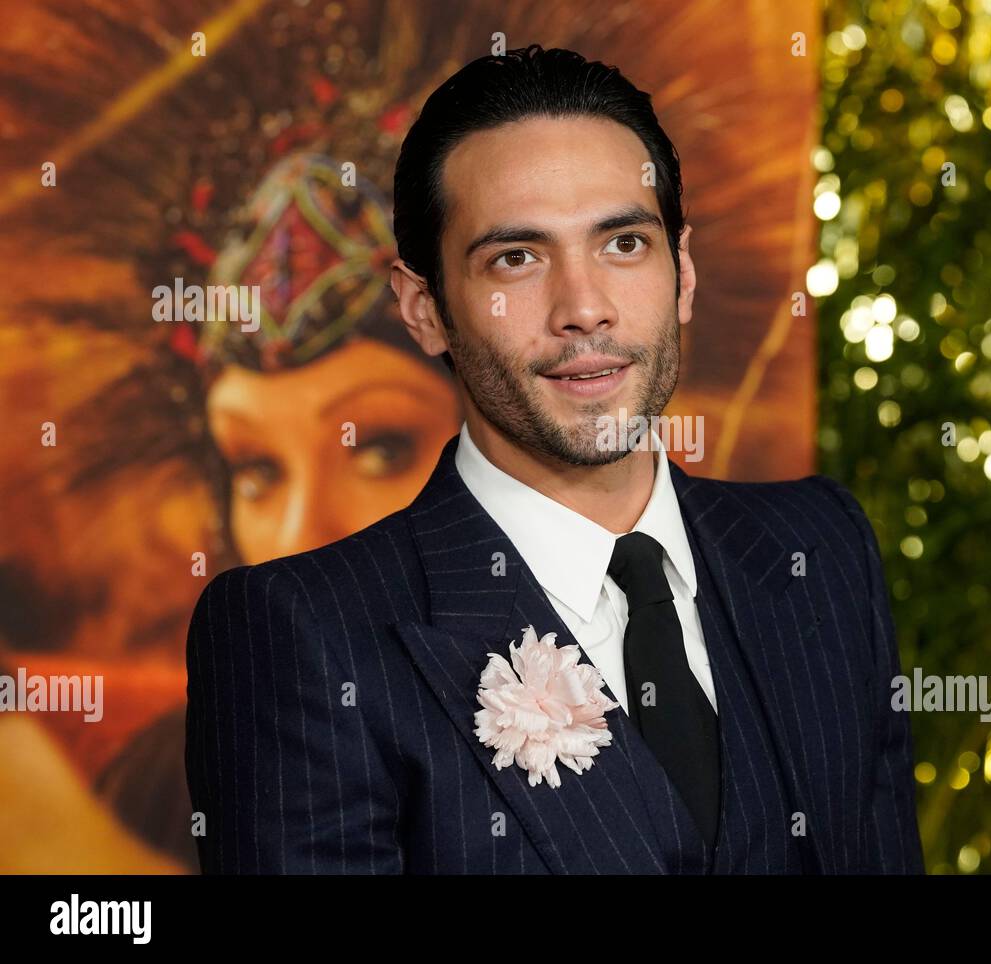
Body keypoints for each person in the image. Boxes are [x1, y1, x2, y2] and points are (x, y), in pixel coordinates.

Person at [185, 44, 923, 875]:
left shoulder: (819, 551)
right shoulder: (303, 633)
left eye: (623, 245)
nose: (584, 309)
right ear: (424, 309)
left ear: (682, 272)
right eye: (517, 259)